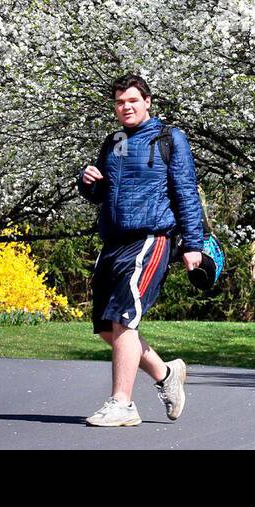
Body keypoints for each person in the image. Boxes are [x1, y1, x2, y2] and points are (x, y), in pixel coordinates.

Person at [76, 73, 205, 426]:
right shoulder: (114, 141)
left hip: (151, 239)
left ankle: (123, 404)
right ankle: (166, 374)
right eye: (119, 103)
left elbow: (186, 192)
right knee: (106, 325)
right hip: (114, 241)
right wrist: (88, 184)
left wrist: (193, 244)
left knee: (123, 319)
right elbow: (104, 191)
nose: (126, 107)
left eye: (132, 101)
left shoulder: (169, 139)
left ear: (147, 102)